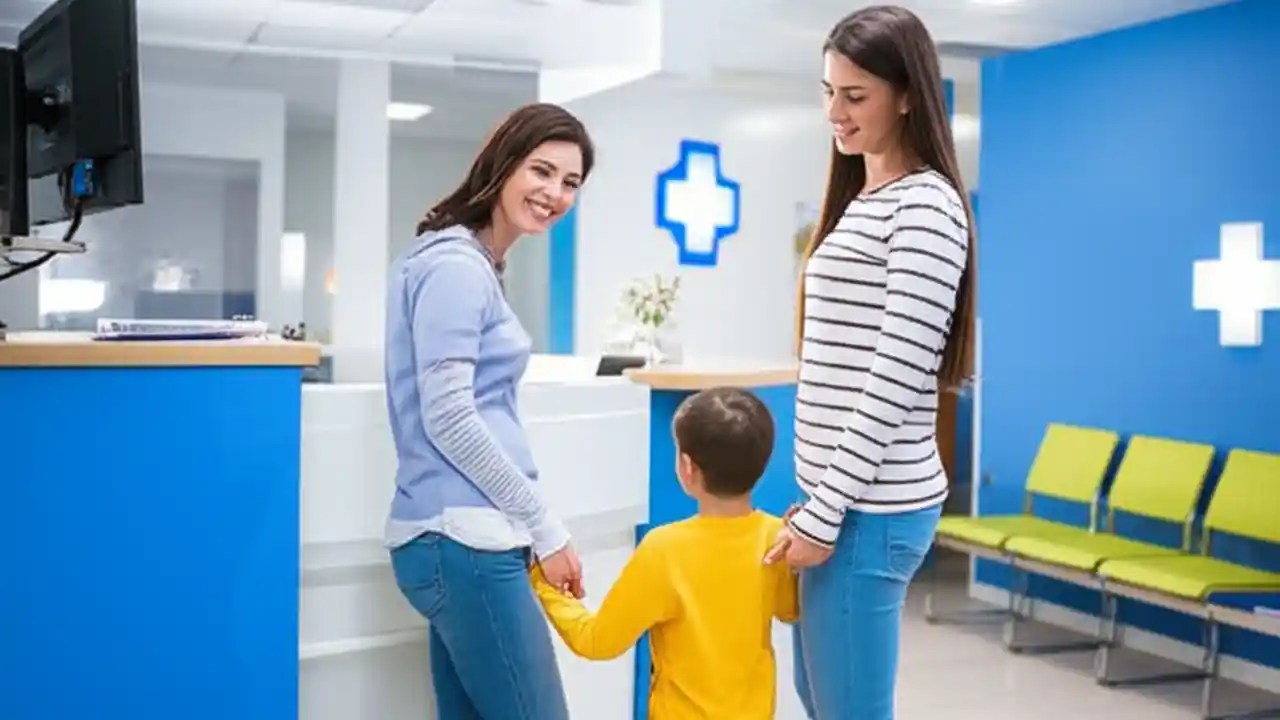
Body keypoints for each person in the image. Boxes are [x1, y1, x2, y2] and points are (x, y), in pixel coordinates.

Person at [764, 6, 977, 720]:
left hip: (869, 512)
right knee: (821, 700)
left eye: (855, 96)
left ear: (908, 94)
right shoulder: (866, 199)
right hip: (845, 505)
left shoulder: (926, 208)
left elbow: (895, 380)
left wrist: (825, 514)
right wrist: (817, 498)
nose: (835, 112)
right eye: (828, 91)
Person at [383, 103, 594, 720]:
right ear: (503, 166)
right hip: (464, 538)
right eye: (542, 171)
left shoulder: (468, 262)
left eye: (571, 183)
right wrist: (545, 528)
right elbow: (448, 416)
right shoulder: (455, 267)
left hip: (457, 537)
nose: (554, 193)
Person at [530, 387, 799, 720]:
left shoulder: (664, 550)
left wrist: (542, 582)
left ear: (687, 467)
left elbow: (596, 640)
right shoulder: (775, 538)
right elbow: (790, 609)